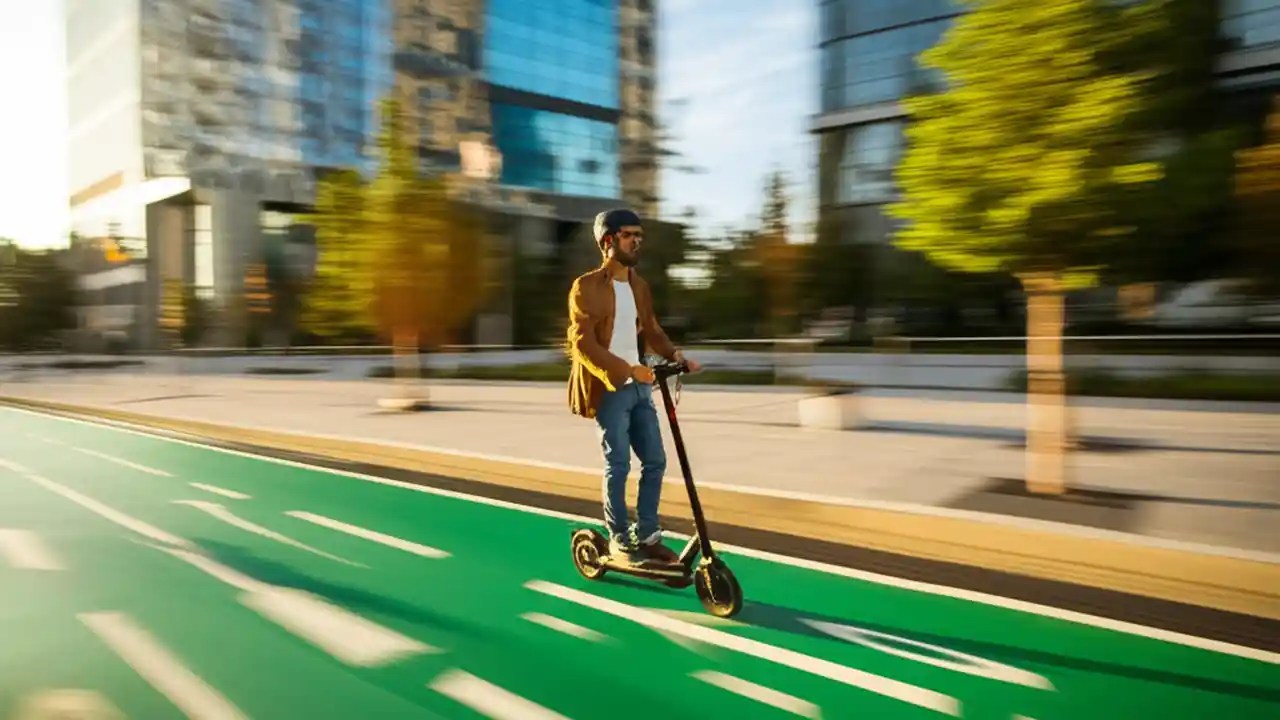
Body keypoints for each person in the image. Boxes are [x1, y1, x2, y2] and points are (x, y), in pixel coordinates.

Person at [566, 208, 701, 566]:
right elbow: (582, 343)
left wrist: (676, 355)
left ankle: (648, 535)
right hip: (610, 387)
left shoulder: (639, 286)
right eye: (628, 235)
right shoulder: (586, 287)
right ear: (608, 241)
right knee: (619, 463)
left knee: (655, 460)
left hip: (641, 387)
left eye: (639, 235)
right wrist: (627, 370)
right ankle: (619, 539)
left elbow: (651, 329)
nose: (637, 241)